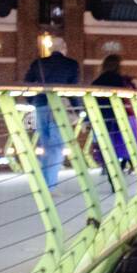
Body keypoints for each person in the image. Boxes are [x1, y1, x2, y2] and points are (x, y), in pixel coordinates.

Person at [23, 38, 80, 188]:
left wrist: (31, 101)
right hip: (59, 108)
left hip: (40, 105)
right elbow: (73, 90)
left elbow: (27, 83)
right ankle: (50, 185)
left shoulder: (38, 63)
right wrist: (78, 109)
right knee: (56, 146)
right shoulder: (71, 64)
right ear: (64, 48)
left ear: (50, 49)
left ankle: (44, 182)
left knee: (46, 144)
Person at [90, 55, 137, 165]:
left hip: (99, 116)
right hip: (116, 116)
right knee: (118, 143)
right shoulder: (119, 80)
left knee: (105, 143)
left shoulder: (97, 81)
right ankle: (117, 167)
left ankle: (106, 165)